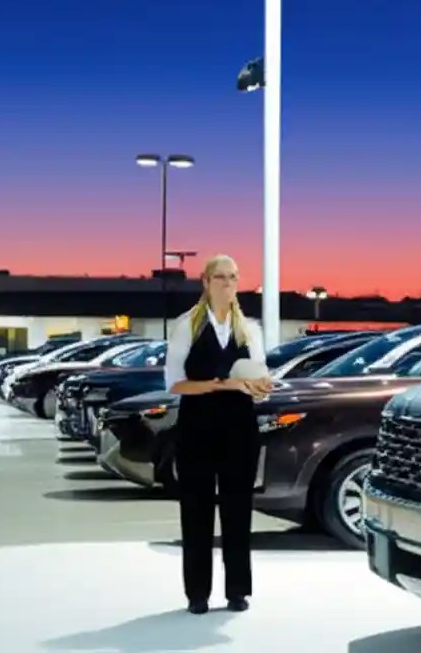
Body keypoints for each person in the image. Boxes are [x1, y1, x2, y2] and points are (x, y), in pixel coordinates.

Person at [163, 254, 273, 615]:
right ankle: (197, 594)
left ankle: (237, 590)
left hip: (239, 429)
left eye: (233, 277)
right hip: (197, 427)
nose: (228, 283)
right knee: (196, 510)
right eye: (221, 277)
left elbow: (259, 378)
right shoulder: (187, 326)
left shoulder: (250, 329)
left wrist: (260, 387)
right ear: (206, 282)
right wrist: (222, 384)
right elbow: (174, 384)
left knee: (237, 510)